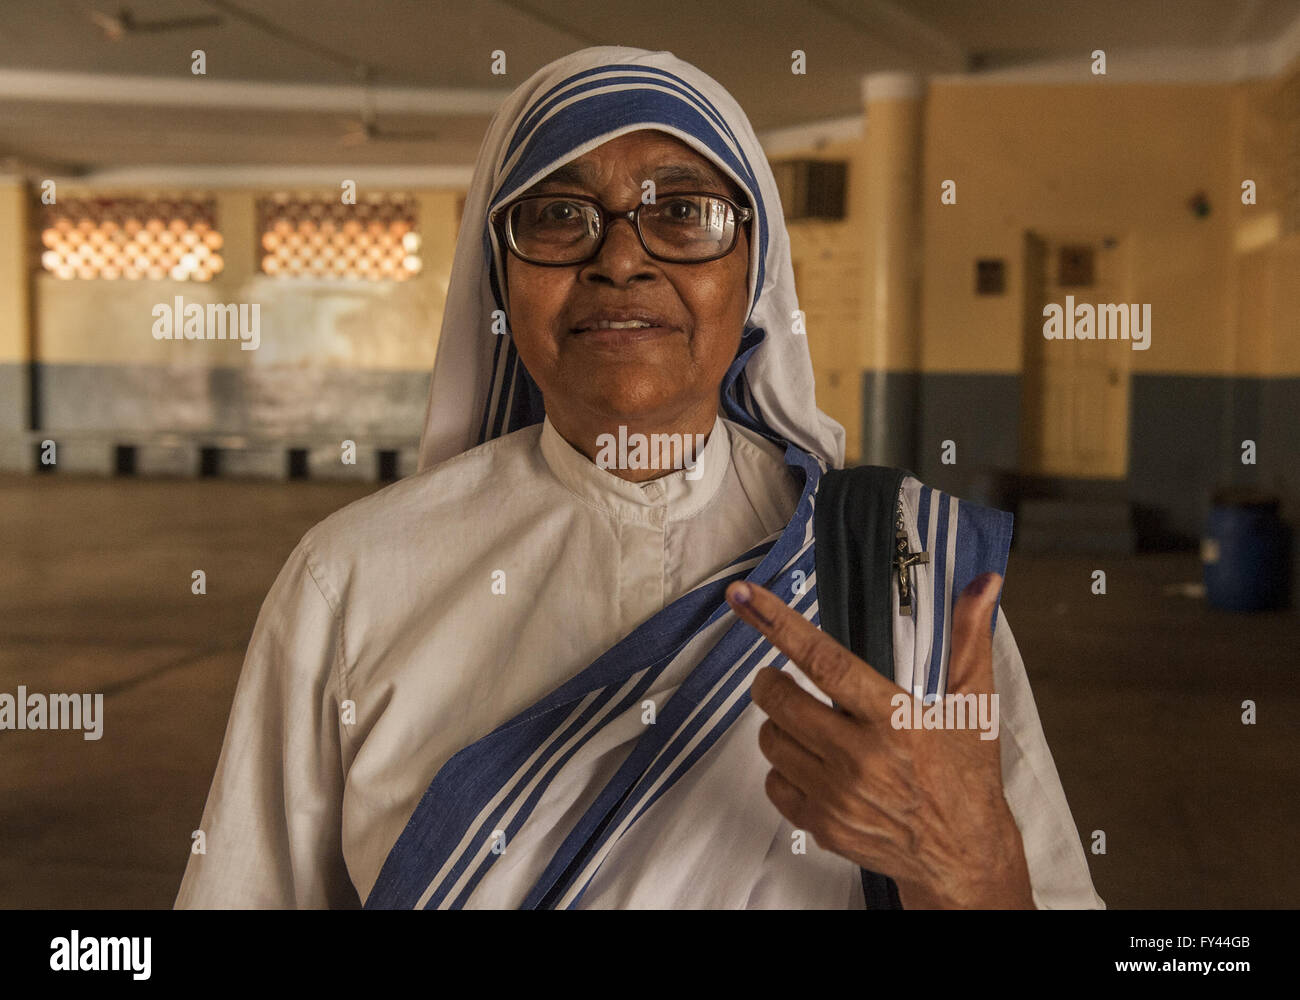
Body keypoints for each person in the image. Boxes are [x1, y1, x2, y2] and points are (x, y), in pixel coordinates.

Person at [176, 46, 1103, 910]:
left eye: (683, 213)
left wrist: (977, 867)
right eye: (557, 216)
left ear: (755, 271)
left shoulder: (908, 574)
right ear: (501, 276)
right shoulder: (351, 579)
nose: (621, 260)